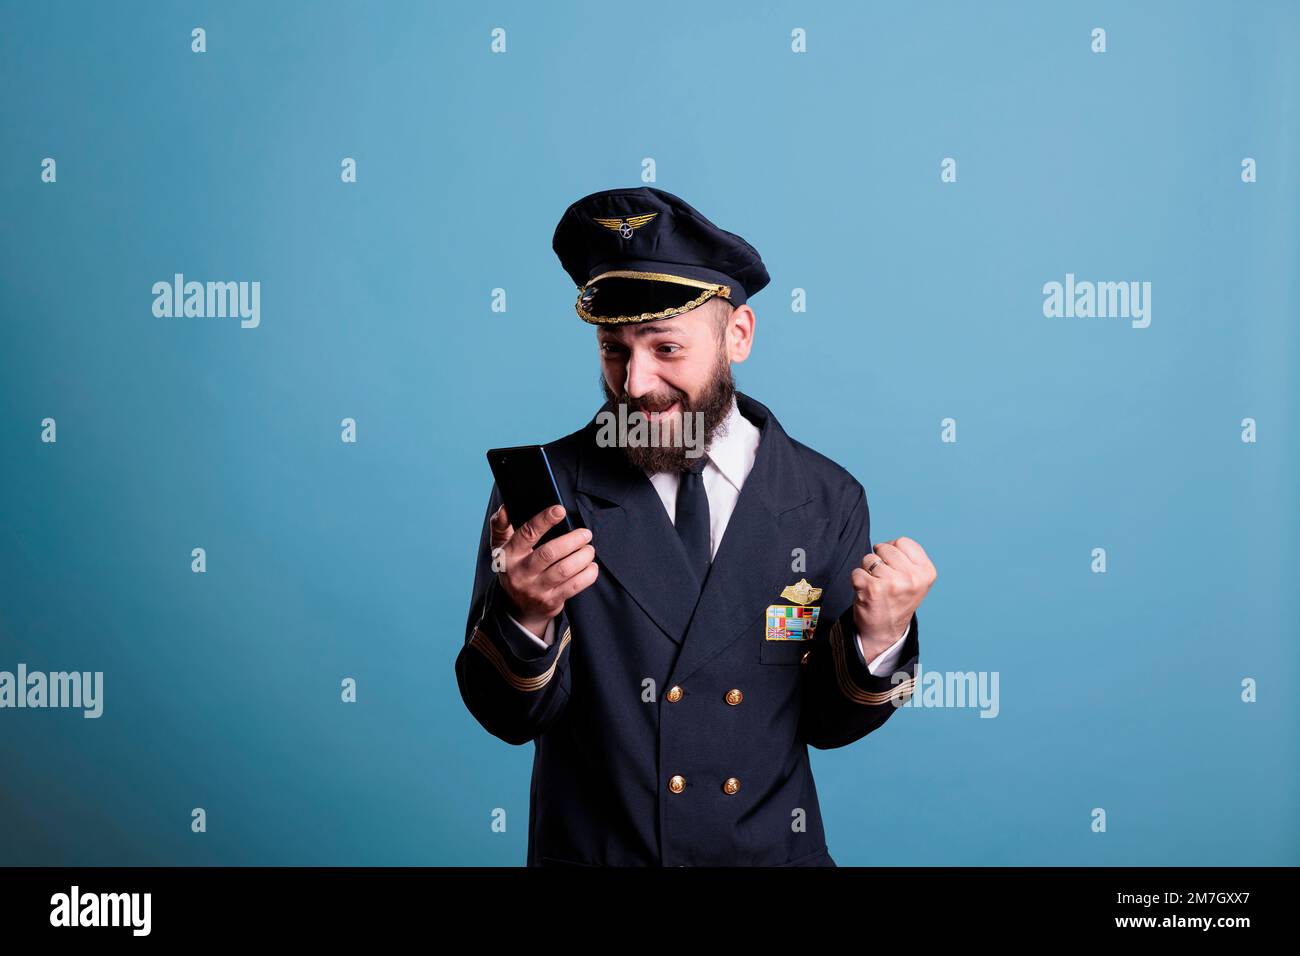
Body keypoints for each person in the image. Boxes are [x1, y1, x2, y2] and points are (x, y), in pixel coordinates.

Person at [456, 186, 936, 866]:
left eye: (666, 348)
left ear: (737, 335)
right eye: (614, 351)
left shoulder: (827, 498)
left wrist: (881, 636)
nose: (636, 383)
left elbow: (830, 724)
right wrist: (522, 614)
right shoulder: (548, 493)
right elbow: (504, 717)